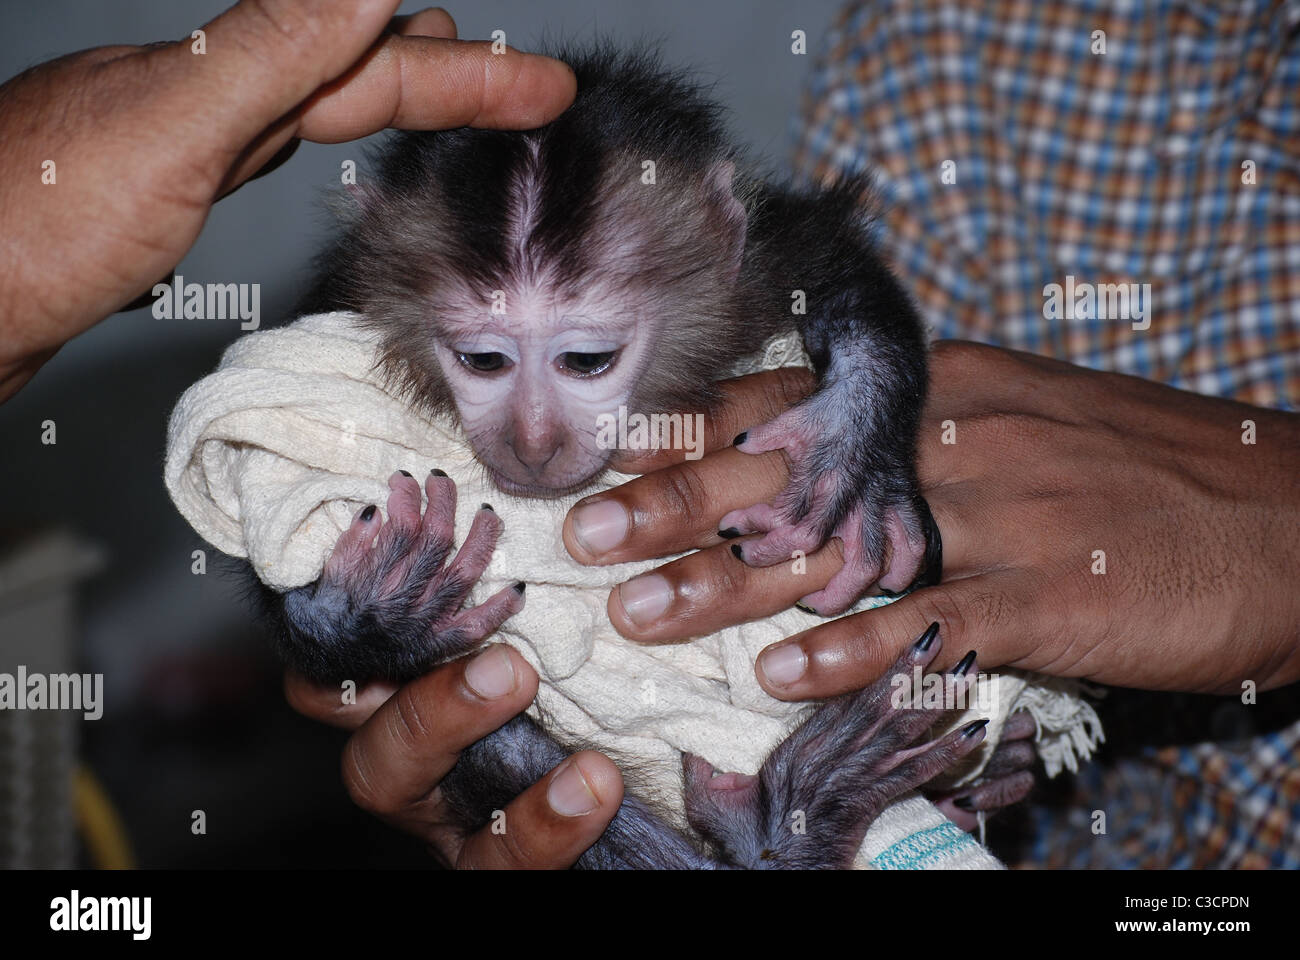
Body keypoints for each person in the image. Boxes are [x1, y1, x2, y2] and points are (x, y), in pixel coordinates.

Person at [2, 0, 1296, 869]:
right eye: (481, 357)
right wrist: (358, 619)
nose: (533, 431)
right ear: (388, 279)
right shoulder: (338, 352)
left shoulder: (759, 258)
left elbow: (850, 293)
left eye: (582, 357)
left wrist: (864, 414)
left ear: (716, 249)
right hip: (630, 764)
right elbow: (299, 588)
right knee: (490, 722)